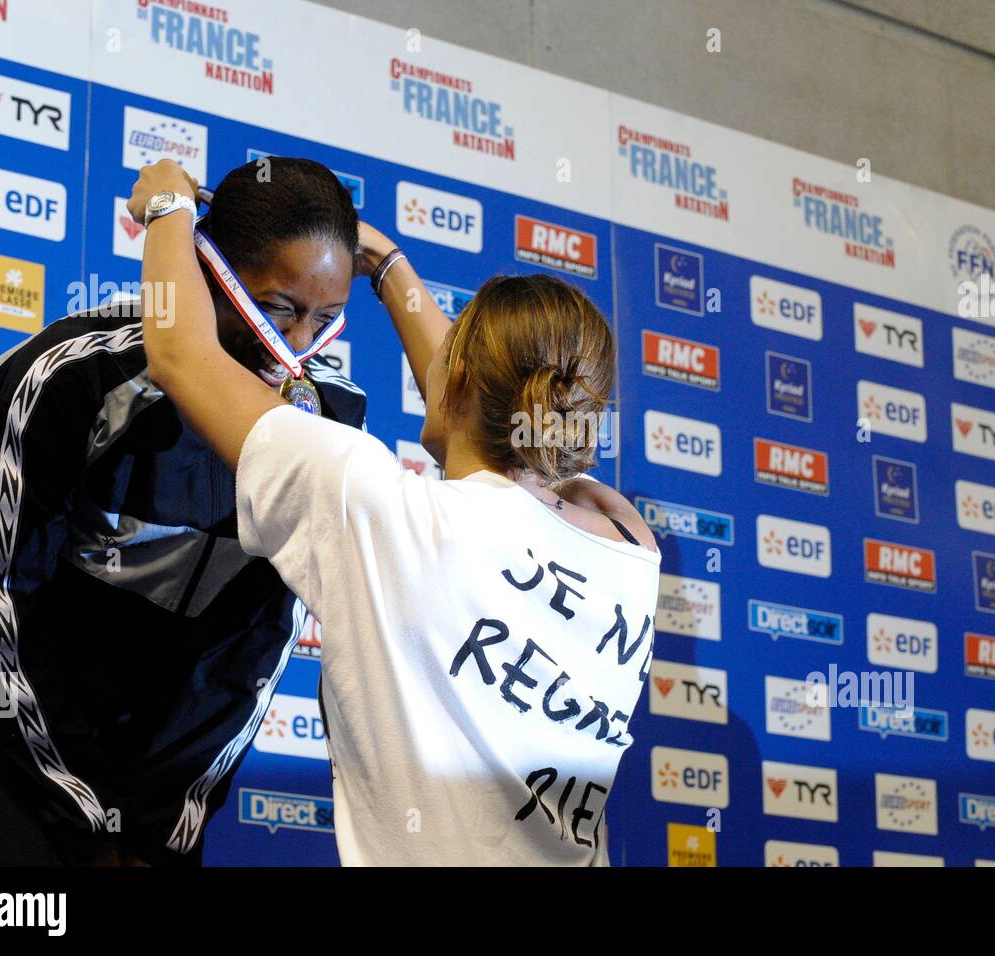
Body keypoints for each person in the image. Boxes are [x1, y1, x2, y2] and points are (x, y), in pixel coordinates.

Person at [130, 158, 660, 866]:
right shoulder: (626, 539)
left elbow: (179, 351)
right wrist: (379, 263)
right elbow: (504, 430)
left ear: (461, 379)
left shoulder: (379, 510)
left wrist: (166, 205)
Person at [0, 157, 366, 865]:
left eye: (326, 317)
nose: (298, 342)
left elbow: (251, 650)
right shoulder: (70, 375)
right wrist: (79, 809)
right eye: (278, 306)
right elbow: (2, 600)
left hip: (147, 706)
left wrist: (170, 818)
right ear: (209, 270)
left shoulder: (329, 423)